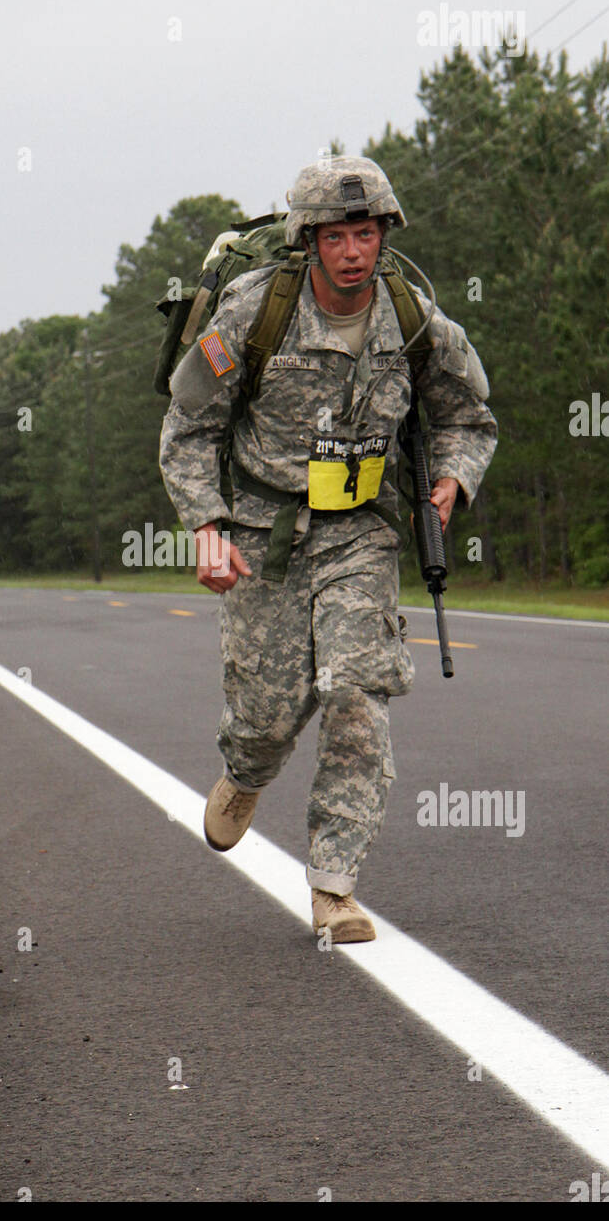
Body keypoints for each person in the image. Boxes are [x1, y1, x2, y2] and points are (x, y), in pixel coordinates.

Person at [159, 156, 498, 943]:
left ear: (384, 235)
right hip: (260, 532)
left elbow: (466, 416)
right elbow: (188, 425)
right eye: (339, 235)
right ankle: (245, 773)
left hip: (360, 530)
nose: (354, 250)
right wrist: (206, 526)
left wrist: (452, 480)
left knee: (355, 691)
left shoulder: (414, 319)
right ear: (309, 240)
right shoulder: (253, 314)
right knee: (267, 716)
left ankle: (334, 887)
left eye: (367, 232)